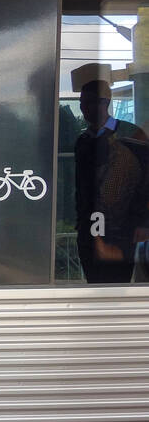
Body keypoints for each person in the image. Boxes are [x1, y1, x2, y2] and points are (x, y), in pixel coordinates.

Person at [72, 63, 149, 284]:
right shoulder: (83, 141)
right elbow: (81, 187)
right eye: (82, 104)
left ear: (104, 103)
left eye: (88, 103)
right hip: (88, 230)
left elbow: (145, 183)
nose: (84, 110)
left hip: (122, 228)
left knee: (118, 283)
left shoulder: (130, 135)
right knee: (94, 282)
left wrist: (143, 222)